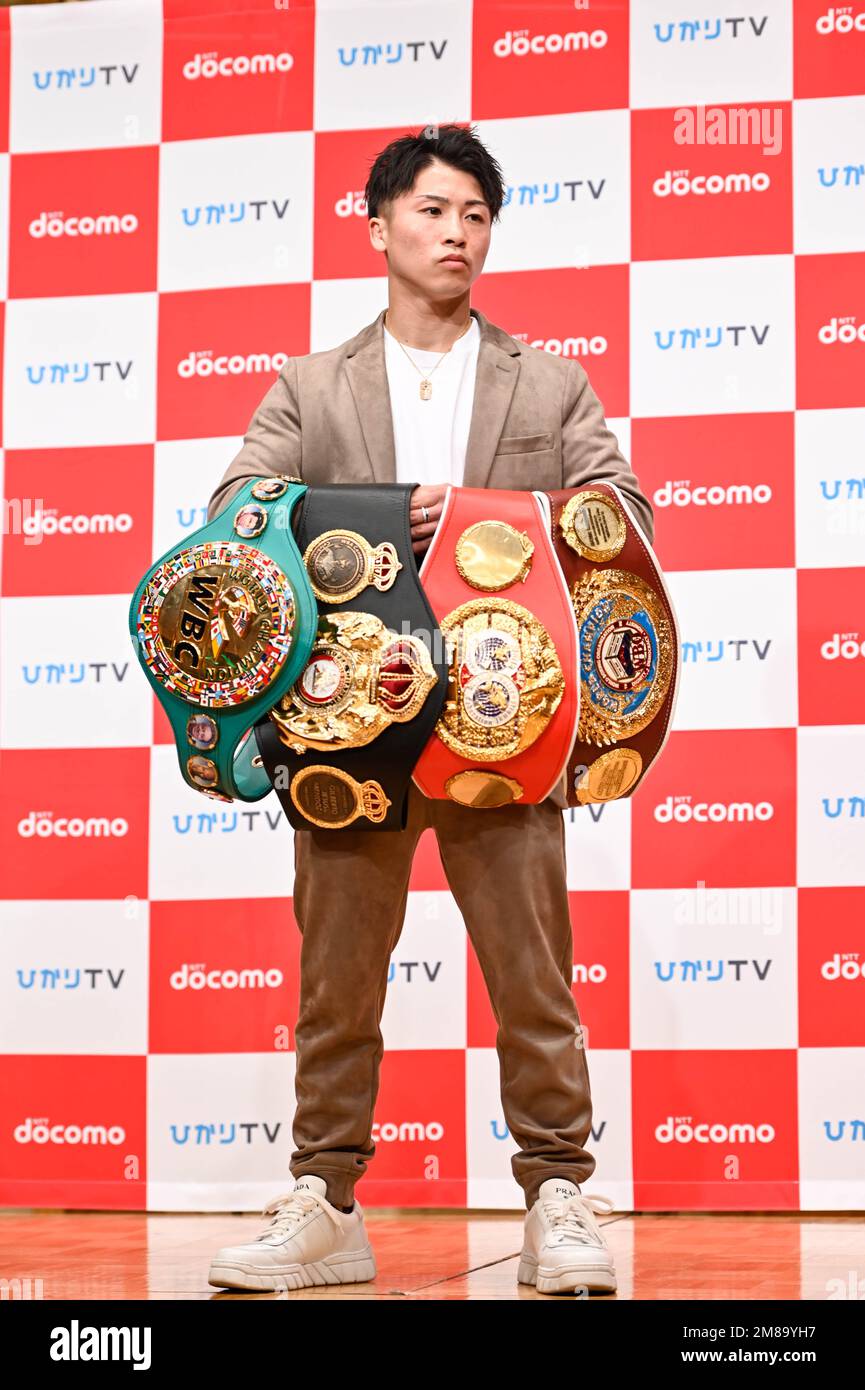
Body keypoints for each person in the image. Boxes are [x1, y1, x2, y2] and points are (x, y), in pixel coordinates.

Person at [206, 124, 653, 1297]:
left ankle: (559, 1191)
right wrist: (360, 515)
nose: (457, 233)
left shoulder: (545, 381)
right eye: (434, 211)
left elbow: (621, 510)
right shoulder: (311, 382)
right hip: (342, 726)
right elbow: (238, 506)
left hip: (510, 717)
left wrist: (479, 516)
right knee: (336, 978)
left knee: (531, 973)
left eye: (475, 216)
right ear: (378, 225)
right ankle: (325, 1202)